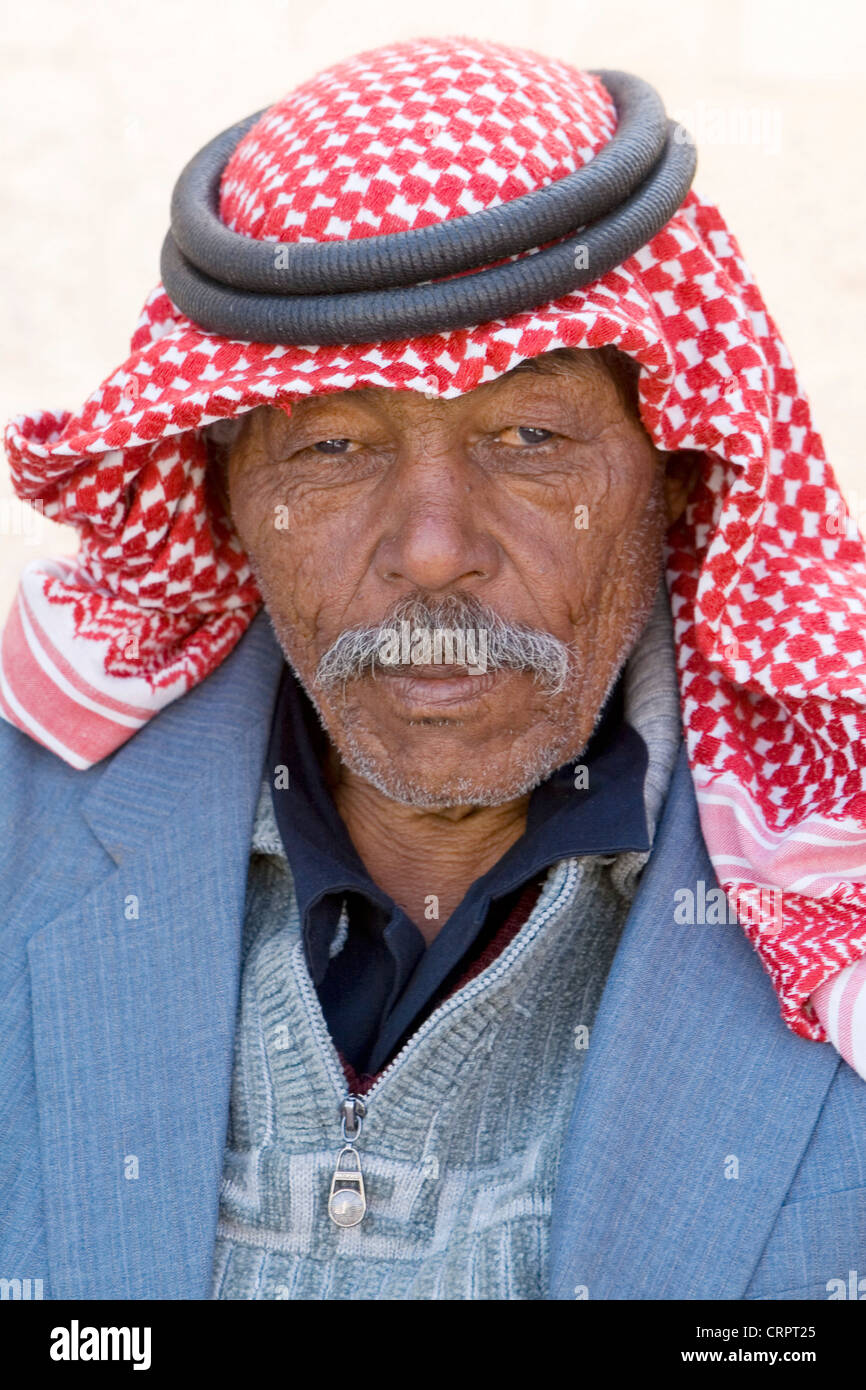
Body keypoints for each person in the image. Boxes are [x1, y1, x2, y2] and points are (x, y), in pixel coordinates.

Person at [2, 36, 865, 1301]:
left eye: (527, 436)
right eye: (337, 445)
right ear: (224, 487)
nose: (432, 553)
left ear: (673, 472)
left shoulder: (824, 883)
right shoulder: (28, 829)